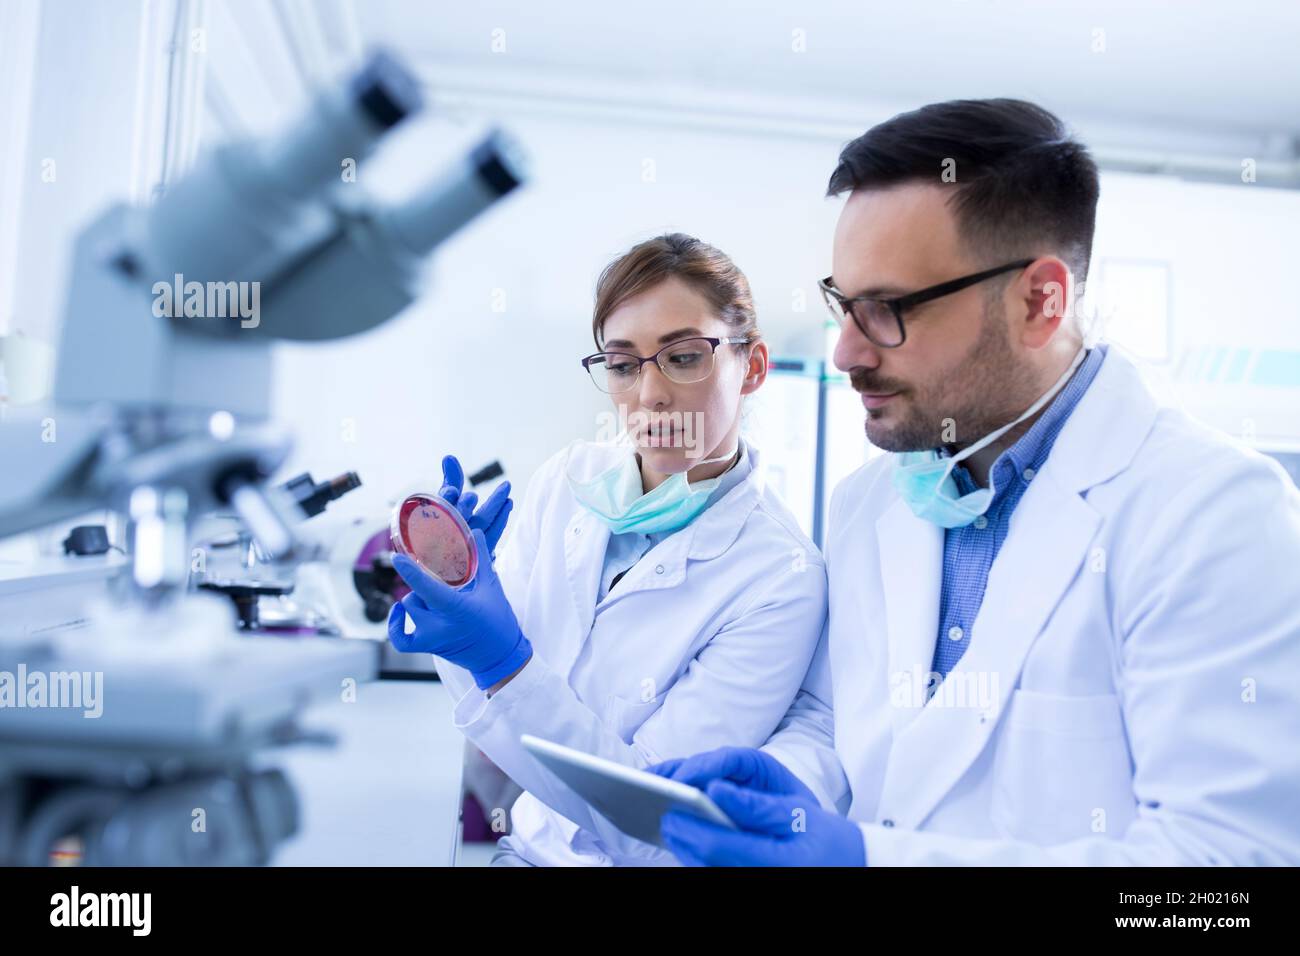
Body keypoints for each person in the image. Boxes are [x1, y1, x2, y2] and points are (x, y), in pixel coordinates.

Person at [651, 99, 1300, 866]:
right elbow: (847, 729)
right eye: (844, 306)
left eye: (888, 309)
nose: (847, 353)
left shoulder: (1213, 515)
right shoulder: (869, 505)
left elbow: (1223, 877)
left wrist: (867, 862)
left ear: (1040, 301)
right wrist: (793, 783)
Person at [389, 233, 827, 865]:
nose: (649, 395)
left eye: (682, 357)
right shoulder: (567, 482)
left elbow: (653, 811)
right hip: (520, 849)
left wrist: (502, 663)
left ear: (752, 367)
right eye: (623, 365)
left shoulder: (782, 576)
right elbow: (482, 699)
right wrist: (453, 595)